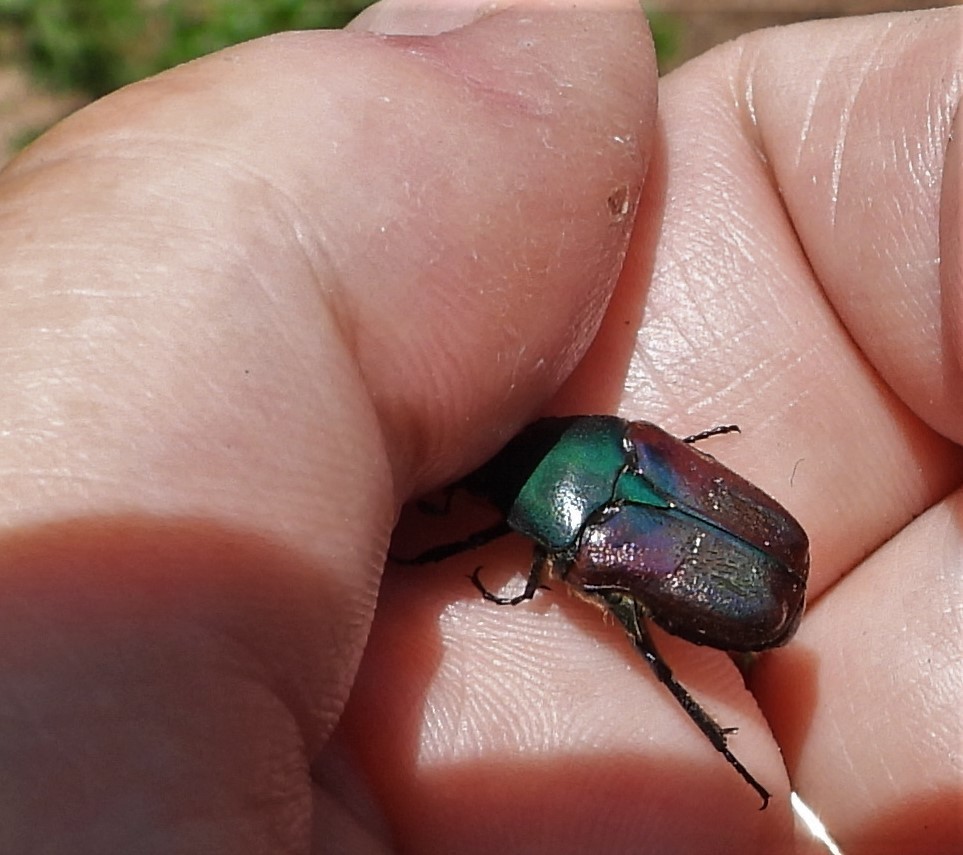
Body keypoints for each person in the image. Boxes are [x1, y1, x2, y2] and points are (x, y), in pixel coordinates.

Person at [0, 1, 958, 852]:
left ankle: (717, 738)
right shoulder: (618, 443)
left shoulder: (570, 537)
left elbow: (501, 528)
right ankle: (725, 745)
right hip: (749, 552)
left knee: (652, 656)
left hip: (734, 569)